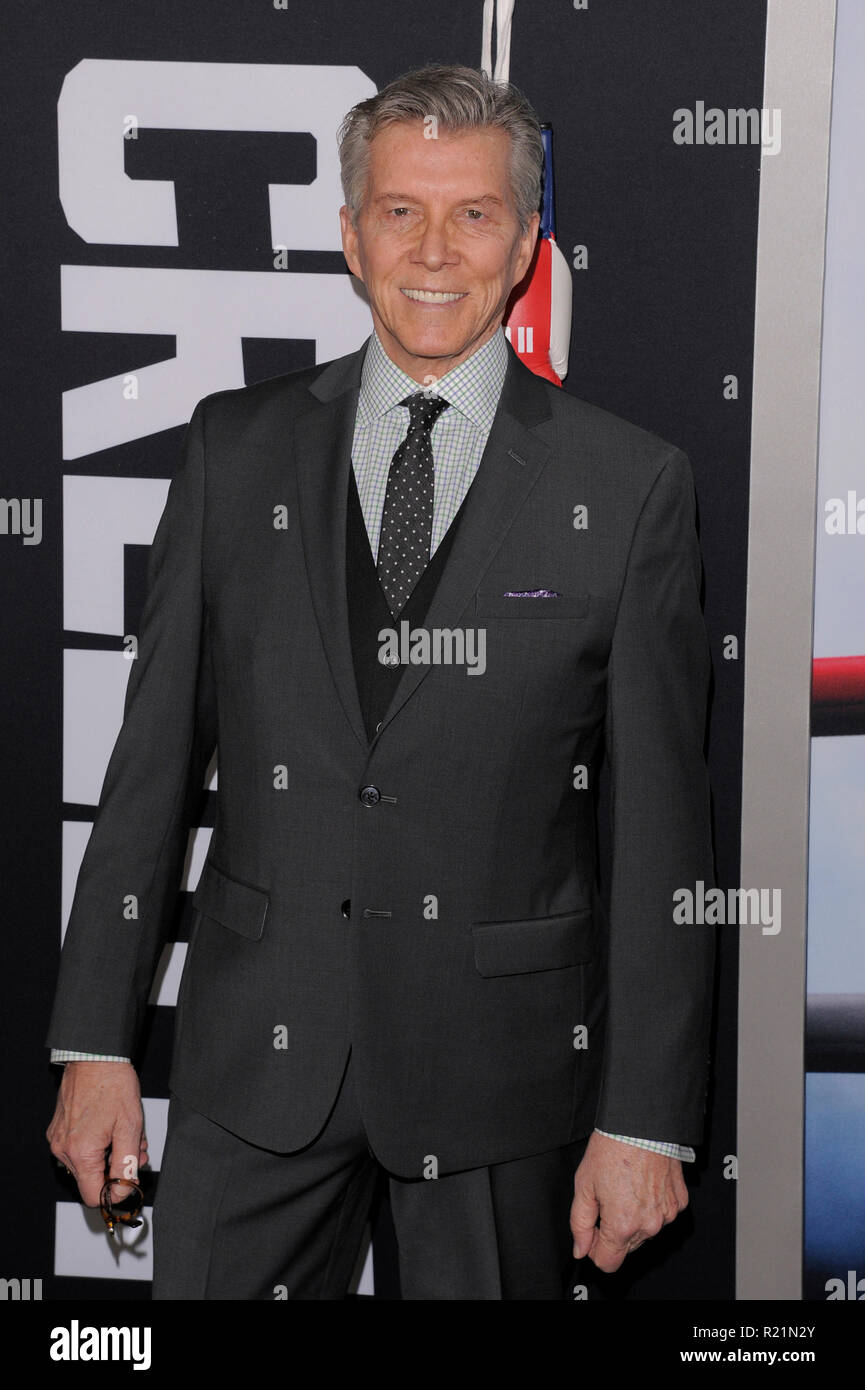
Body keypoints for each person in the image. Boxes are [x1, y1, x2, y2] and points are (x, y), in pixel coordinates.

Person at [46, 63, 716, 1300]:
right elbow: (147, 774)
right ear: (349, 235)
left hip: (499, 1079)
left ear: (524, 245)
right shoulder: (232, 449)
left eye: (473, 214)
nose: (435, 250)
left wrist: (648, 1118)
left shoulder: (628, 489)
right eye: (400, 210)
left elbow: (664, 837)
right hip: (258, 1064)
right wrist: (95, 1040)